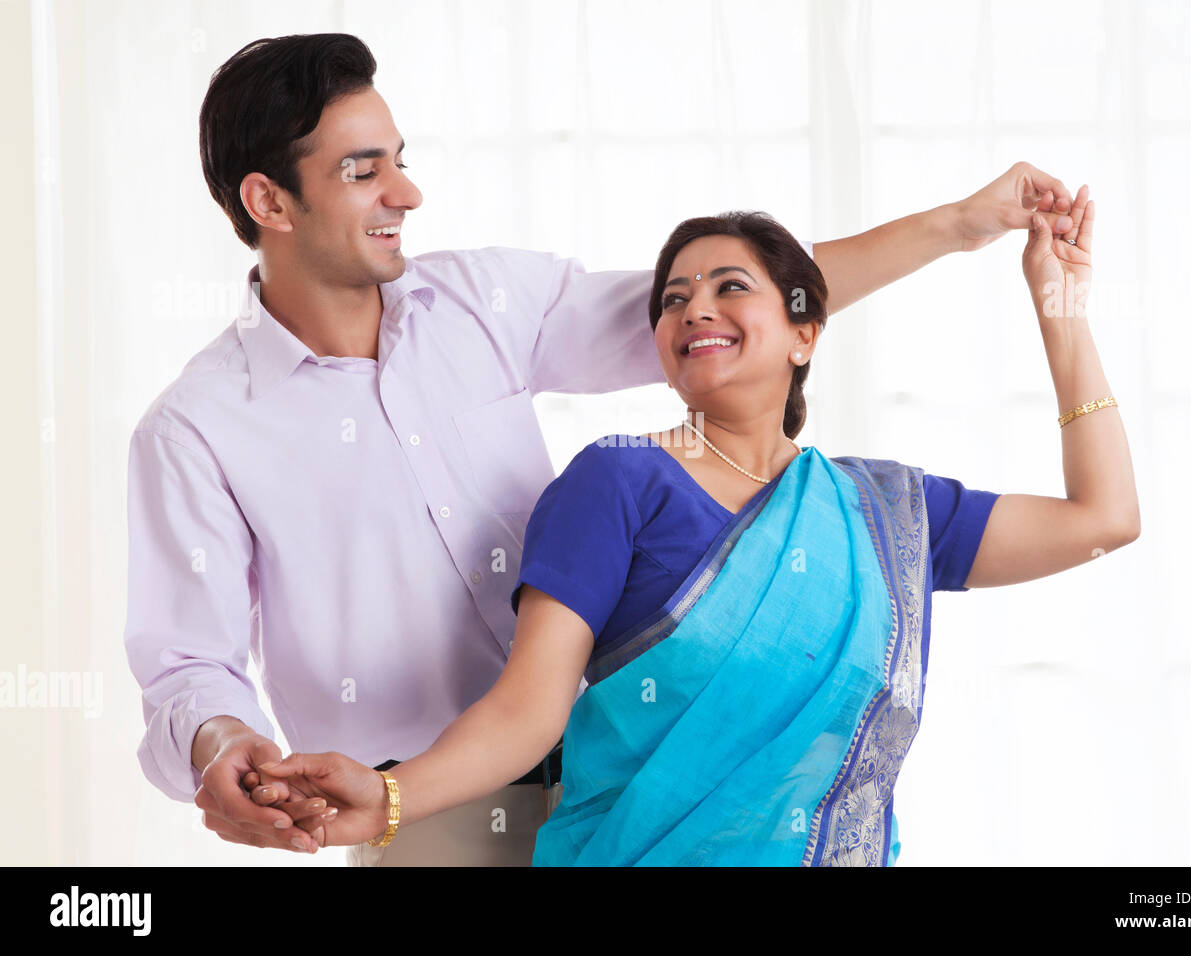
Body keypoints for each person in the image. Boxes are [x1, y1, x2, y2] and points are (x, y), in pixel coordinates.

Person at [126, 32, 1083, 866]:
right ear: (269, 200)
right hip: (424, 806)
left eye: (400, 159)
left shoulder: (482, 303)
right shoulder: (198, 428)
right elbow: (185, 664)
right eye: (363, 170)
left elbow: (740, 302)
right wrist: (221, 744)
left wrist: (960, 227)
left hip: (618, 769)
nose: (406, 192)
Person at [255, 193, 1139, 865]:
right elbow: (528, 712)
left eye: (730, 288)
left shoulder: (884, 514)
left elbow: (1104, 519)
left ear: (805, 331)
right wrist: (391, 799)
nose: (694, 310)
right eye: (674, 300)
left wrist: (1062, 313)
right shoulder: (617, 482)